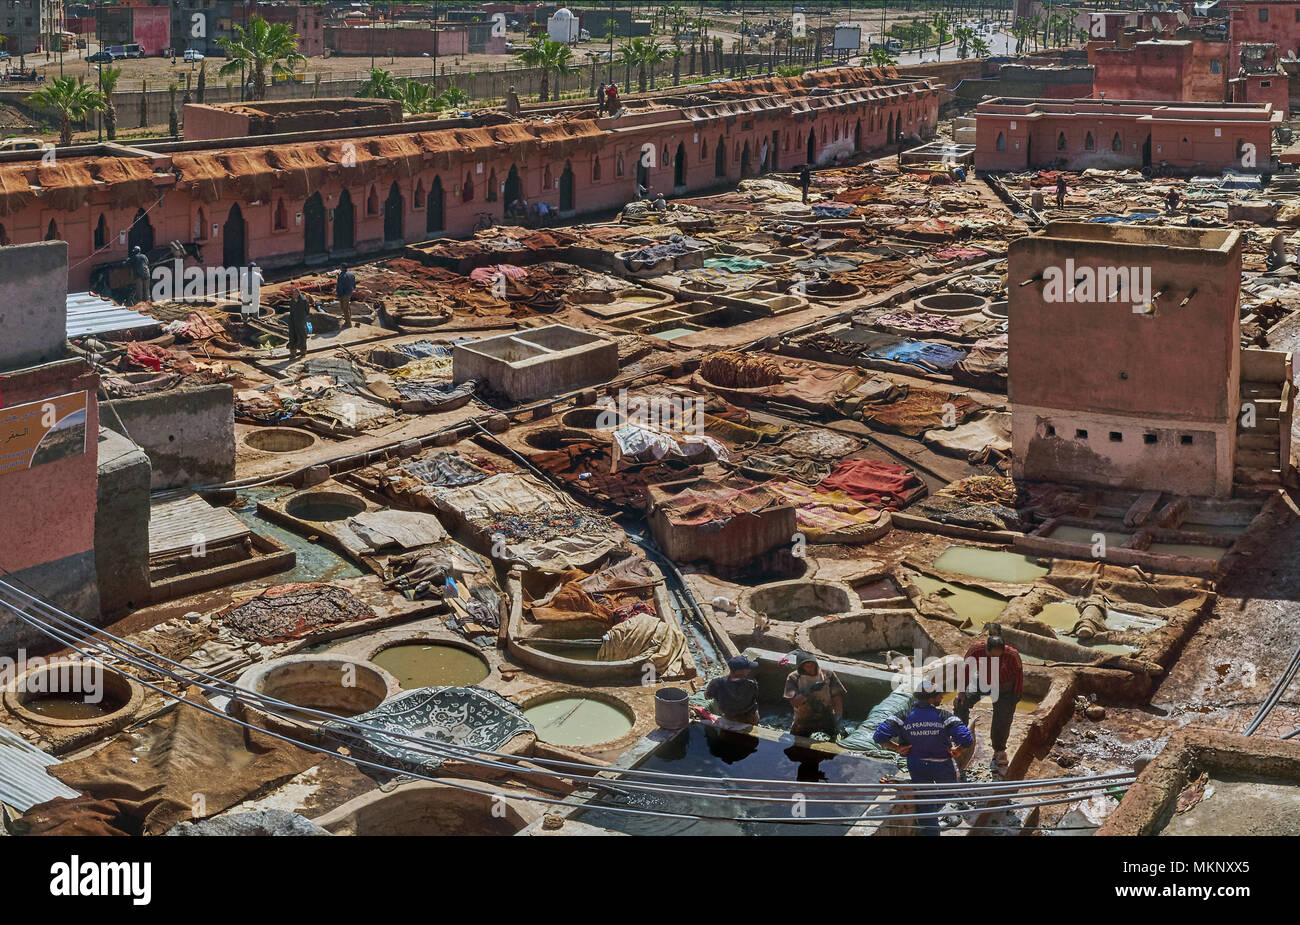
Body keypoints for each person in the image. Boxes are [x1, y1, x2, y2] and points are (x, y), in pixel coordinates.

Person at [873, 679, 974, 836]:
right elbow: (967, 738)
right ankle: (930, 820)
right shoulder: (944, 716)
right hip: (942, 764)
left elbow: (879, 736)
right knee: (949, 791)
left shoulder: (902, 716)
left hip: (916, 764)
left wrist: (897, 748)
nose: (941, 697)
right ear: (931, 698)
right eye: (939, 695)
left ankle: (928, 821)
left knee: (925, 796)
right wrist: (958, 749)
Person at [954, 626, 1023, 777]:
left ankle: (999, 749)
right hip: (982, 681)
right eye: (991, 656)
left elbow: (1019, 676)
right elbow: (965, 671)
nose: (994, 660)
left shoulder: (1013, 655)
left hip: (1004, 687)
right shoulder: (975, 651)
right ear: (986, 649)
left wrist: (1015, 697)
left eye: (998, 657)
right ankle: (961, 736)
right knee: (960, 703)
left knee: (1003, 717)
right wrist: (961, 693)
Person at [783, 651, 846, 738]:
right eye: (807, 666)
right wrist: (808, 691)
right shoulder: (793, 678)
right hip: (804, 719)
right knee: (795, 744)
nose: (810, 668)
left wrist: (838, 719)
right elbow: (794, 703)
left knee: (839, 739)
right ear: (801, 667)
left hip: (826, 716)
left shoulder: (827, 674)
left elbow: (837, 699)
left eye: (812, 665)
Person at [705, 655, 761, 725]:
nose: (749, 670)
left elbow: (707, 696)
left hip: (729, 717)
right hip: (749, 718)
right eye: (747, 668)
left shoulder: (717, 683)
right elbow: (756, 698)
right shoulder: (751, 685)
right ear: (739, 671)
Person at [286, 287, 311, 359]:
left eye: (296, 293)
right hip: (293, 321)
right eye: (293, 294)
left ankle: (303, 353)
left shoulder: (303, 300)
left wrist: (303, 318)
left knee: (302, 336)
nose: (295, 295)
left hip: (301, 321)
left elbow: (307, 311)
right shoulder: (292, 301)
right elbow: (291, 310)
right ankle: (293, 353)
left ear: (298, 293)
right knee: (292, 337)